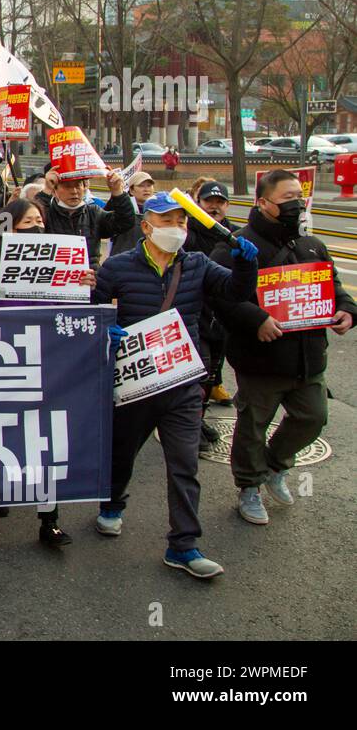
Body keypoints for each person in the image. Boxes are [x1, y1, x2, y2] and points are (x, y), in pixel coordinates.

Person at [93, 191, 259, 579]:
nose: (176, 228)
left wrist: (245, 265)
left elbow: (236, 293)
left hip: (183, 382)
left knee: (184, 465)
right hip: (134, 384)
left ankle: (183, 545)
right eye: (167, 221)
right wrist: (108, 331)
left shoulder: (198, 265)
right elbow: (93, 310)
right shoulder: (118, 267)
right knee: (121, 453)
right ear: (147, 225)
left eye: (182, 221)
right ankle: (113, 503)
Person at [209, 169, 355, 527]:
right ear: (263, 202)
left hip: (308, 358)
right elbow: (220, 297)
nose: (295, 205)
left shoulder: (311, 245)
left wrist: (348, 311)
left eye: (298, 198)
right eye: (286, 199)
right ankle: (249, 486)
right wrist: (256, 319)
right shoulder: (238, 245)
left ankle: (274, 466)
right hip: (260, 359)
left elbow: (333, 287)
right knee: (252, 425)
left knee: (313, 417)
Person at [0, 197, 98, 547]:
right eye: (27, 222)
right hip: (3, 353)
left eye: (39, 220)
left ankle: (50, 519)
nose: (37, 226)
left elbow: (74, 310)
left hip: (48, 354)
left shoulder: (61, 255)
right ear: (9, 226)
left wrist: (86, 284)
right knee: (1, 429)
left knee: (45, 436)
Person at [187, 181, 238, 414]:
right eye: (209, 202)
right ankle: (192, 422)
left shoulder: (236, 235)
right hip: (195, 313)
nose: (214, 207)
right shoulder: (187, 232)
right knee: (199, 370)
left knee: (214, 371)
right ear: (198, 203)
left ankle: (200, 416)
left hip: (225, 317)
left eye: (220, 202)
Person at [39, 168, 134, 268]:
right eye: (67, 186)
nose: (74, 191)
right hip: (53, 277)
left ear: (85, 188)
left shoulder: (94, 213)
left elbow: (125, 222)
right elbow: (29, 226)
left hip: (89, 278)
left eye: (78, 185)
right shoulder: (46, 213)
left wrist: (117, 192)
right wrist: (46, 190)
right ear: (54, 190)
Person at [110, 171, 155, 254]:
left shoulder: (158, 211)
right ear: (131, 190)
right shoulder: (121, 208)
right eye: (141, 186)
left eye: (149, 185)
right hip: (123, 258)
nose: (146, 189)